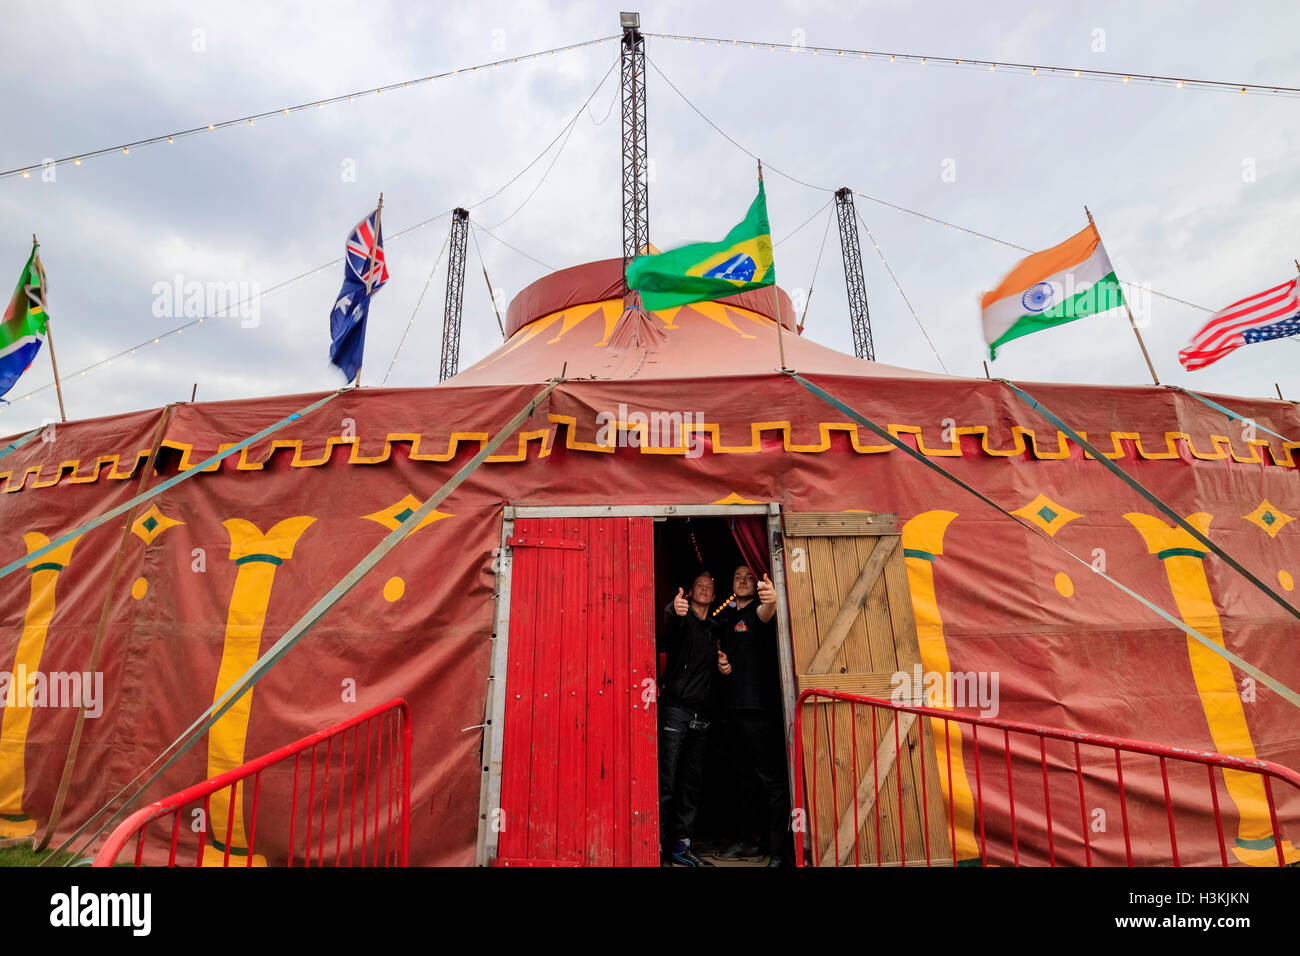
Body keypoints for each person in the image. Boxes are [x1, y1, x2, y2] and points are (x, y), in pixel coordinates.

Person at [716, 565, 792, 866]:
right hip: (733, 709)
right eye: (738, 577)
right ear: (732, 584)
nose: (744, 581)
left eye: (749, 577)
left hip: (759, 709)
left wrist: (772, 598)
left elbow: (769, 609)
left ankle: (779, 851)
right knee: (744, 779)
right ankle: (750, 842)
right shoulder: (727, 618)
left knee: (769, 781)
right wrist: (722, 663)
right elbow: (726, 656)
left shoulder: (759, 613)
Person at [658, 569, 721, 867]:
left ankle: (681, 847)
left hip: (702, 717)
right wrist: (673, 609)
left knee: (691, 785)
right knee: (667, 782)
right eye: (699, 585)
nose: (704, 589)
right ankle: (655, 845)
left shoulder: (714, 628)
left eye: (709, 586)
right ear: (691, 592)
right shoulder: (683, 620)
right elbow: (667, 629)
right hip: (676, 711)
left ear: (714, 593)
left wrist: (724, 664)